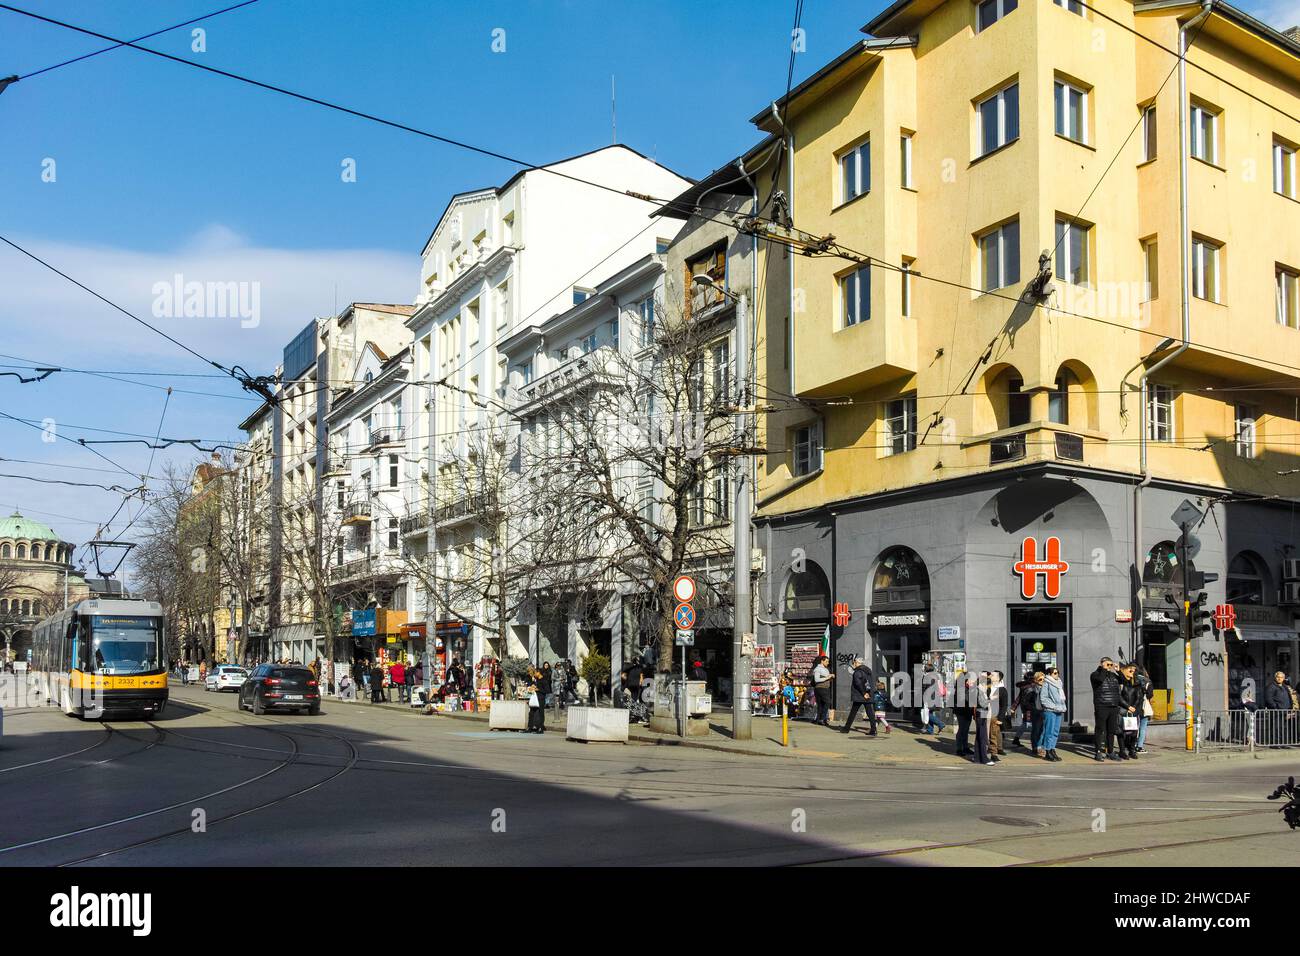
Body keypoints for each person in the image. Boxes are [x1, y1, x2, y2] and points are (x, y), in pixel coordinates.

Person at [1091, 656, 1123, 761]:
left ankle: (1110, 752)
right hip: (1101, 706)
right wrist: (1104, 669)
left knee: (1111, 731)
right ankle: (1098, 752)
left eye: (1110, 664)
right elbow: (1100, 680)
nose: (1109, 666)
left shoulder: (1113, 675)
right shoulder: (1095, 675)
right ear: (1101, 664)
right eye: (1107, 664)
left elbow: (1124, 682)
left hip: (1113, 706)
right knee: (1100, 730)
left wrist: (1119, 672)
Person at [840, 658, 877, 736]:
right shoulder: (868, 671)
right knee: (870, 713)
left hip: (860, 695)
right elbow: (871, 683)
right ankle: (873, 730)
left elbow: (858, 683)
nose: (853, 664)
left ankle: (846, 729)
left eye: (854, 662)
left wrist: (863, 693)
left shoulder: (858, 672)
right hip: (867, 694)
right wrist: (868, 693)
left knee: (853, 712)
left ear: (858, 663)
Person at [1037, 666, 1067, 761]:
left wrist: (1061, 707)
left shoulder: (1059, 683)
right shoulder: (1047, 683)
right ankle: (1047, 751)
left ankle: (1052, 749)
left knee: (1055, 732)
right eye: (1054, 673)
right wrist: (1053, 706)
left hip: (1059, 710)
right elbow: (1043, 698)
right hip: (1050, 711)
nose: (1057, 674)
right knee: (1049, 732)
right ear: (1049, 674)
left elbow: (1061, 698)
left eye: (1057, 672)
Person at [1118, 663, 1142, 759]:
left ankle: (1132, 750)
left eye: (1133, 670)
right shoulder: (1122, 683)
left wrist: (1134, 708)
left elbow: (1139, 697)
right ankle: (1122, 751)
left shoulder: (1137, 684)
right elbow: (1119, 696)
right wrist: (1128, 707)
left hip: (1133, 711)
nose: (1132, 672)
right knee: (1121, 732)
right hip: (1123, 710)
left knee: (1133, 733)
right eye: (1130, 670)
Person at [953, 672, 976, 756]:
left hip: (968, 711)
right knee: (962, 729)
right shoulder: (961, 688)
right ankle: (959, 749)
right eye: (970, 679)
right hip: (961, 711)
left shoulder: (968, 687)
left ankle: (965, 747)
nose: (972, 681)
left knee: (966, 729)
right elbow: (966, 699)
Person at [974, 672, 995, 766]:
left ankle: (978, 757)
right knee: (982, 737)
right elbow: (982, 703)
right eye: (988, 684)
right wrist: (991, 699)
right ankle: (984, 758)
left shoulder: (978, 690)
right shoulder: (980, 691)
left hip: (980, 713)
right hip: (981, 713)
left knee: (979, 736)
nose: (988, 687)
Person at [988, 671, 1010, 757]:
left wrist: (1000, 718)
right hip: (987, 713)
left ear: (998, 678)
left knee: (995, 733)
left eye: (992, 675)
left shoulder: (1002, 690)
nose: (990, 676)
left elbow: (1004, 705)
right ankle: (997, 748)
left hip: (995, 715)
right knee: (994, 733)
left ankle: (996, 751)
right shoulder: (988, 686)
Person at [1011, 674, 1036, 747]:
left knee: (1025, 724)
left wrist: (1013, 708)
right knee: (1034, 726)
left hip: (1025, 709)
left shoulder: (1024, 687)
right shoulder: (1032, 687)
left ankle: (1016, 738)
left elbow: (1018, 698)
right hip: (1032, 709)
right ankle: (1035, 743)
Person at [1135, 664, 1155, 753]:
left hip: (1133, 706)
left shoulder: (1133, 679)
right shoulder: (1148, 681)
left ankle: (1131, 745)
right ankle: (1139, 746)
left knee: (1133, 726)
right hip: (1143, 706)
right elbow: (1150, 695)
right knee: (1142, 727)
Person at [921, 666, 947, 734]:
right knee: (929, 712)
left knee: (927, 713)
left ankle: (940, 724)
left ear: (926, 670)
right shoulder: (937, 675)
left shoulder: (927, 677)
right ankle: (930, 730)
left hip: (930, 698)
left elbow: (925, 689)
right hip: (936, 697)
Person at [810, 655, 833, 726]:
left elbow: (824, 677)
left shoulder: (825, 669)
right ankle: (822, 719)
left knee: (821, 705)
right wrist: (827, 677)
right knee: (827, 702)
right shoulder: (818, 669)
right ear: (822, 661)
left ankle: (819, 719)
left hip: (824, 688)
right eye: (826, 661)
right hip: (821, 688)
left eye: (828, 661)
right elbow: (817, 679)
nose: (828, 663)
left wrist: (830, 677)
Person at [530, 666, 551, 733]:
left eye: (535, 672)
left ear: (539, 673)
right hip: (535, 698)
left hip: (541, 699)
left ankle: (540, 728)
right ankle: (529, 727)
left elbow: (547, 690)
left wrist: (538, 689)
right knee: (531, 712)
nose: (534, 674)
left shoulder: (544, 680)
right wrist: (533, 687)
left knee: (541, 713)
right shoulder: (537, 680)